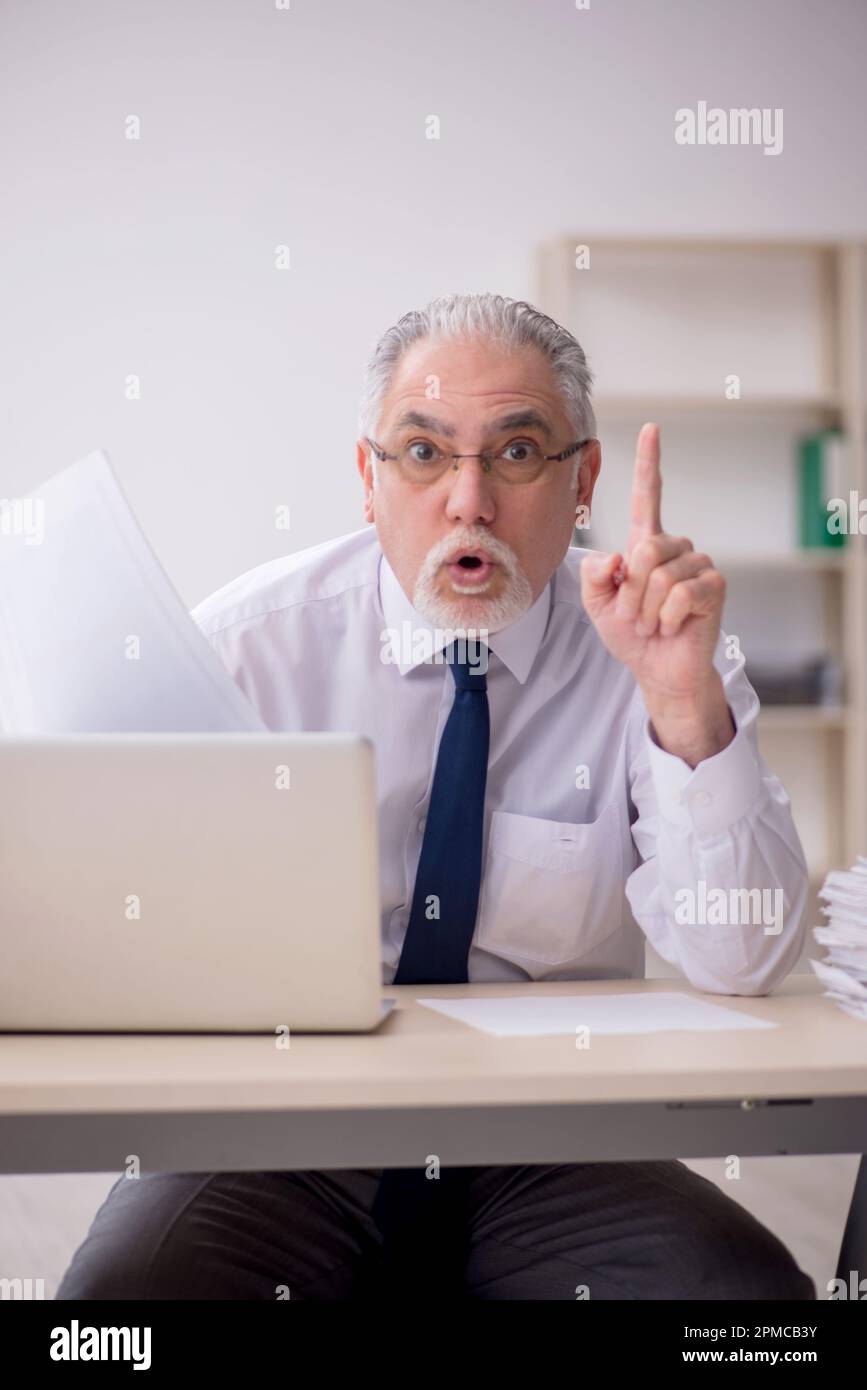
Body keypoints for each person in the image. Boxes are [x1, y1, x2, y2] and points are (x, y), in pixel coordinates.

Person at [57, 293, 815, 1301]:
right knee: (120, 1309)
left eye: (515, 452)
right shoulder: (247, 651)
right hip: (284, 1137)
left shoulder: (660, 651)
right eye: (423, 453)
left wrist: (679, 698)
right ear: (368, 480)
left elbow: (747, 956)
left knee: (748, 1309)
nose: (469, 500)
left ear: (583, 479)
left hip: (556, 1141)